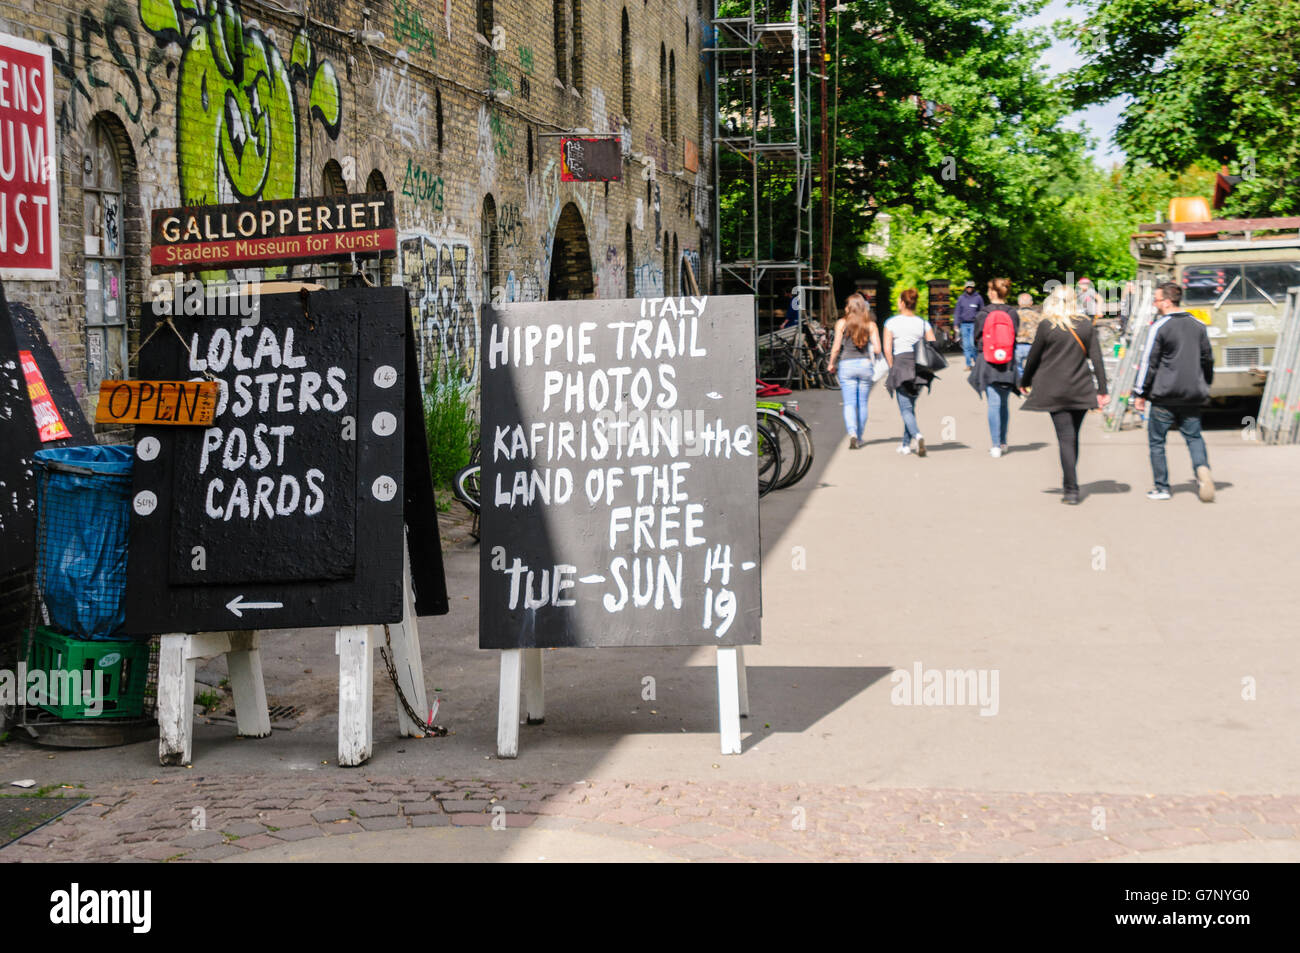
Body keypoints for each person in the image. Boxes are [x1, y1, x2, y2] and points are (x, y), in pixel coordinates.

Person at [1019, 287, 1109, 504]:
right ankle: (1070, 482)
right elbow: (1096, 359)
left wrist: (1024, 381)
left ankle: (1071, 488)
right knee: (1072, 437)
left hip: (1054, 390)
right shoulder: (1086, 324)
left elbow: (1033, 358)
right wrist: (1103, 391)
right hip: (1080, 389)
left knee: (1065, 438)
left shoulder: (1047, 325)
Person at [1133, 281, 1215, 502]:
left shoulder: (1159, 327)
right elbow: (1208, 359)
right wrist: (1205, 384)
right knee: (1194, 437)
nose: (1155, 304)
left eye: (1157, 300)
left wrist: (1139, 393)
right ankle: (1202, 469)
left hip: (1164, 394)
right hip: (1192, 393)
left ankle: (1162, 487)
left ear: (1167, 302)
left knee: (1157, 441)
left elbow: (1149, 362)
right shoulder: (1198, 325)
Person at [968, 278, 1019, 457]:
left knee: (993, 403)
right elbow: (1015, 336)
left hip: (988, 361)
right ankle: (1003, 441)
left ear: (992, 292)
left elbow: (976, 338)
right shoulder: (1013, 313)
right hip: (1007, 362)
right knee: (1004, 404)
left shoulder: (983, 313)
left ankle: (995, 444)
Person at [883, 288, 936, 456]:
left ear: (903, 303)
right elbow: (932, 344)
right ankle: (906, 445)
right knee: (910, 407)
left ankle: (918, 435)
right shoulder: (923, 323)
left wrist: (892, 367)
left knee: (905, 409)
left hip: (901, 364)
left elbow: (887, 349)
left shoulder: (891, 323)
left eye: (899, 300)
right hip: (920, 367)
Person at [826, 293, 882, 449]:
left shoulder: (842, 323)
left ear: (849, 307)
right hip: (865, 365)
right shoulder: (870, 325)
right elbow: (877, 349)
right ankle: (860, 437)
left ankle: (852, 434)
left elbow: (836, 347)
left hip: (847, 365)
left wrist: (831, 363)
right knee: (862, 403)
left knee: (849, 403)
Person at [953, 280, 984, 369]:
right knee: (966, 346)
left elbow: (982, 311)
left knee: (972, 344)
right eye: (968, 287)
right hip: (964, 325)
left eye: (971, 287)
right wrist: (956, 324)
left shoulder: (978, 298)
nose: (969, 288)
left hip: (974, 324)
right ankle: (968, 364)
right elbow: (957, 312)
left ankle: (976, 362)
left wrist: (981, 323)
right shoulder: (961, 298)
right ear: (965, 288)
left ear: (973, 288)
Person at [1014, 292, 1040, 379]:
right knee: (1033, 369)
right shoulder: (1037, 316)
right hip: (1032, 346)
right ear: (1031, 303)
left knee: (1018, 368)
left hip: (1017, 346)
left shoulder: (1014, 315)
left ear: (1019, 303)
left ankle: (1021, 386)